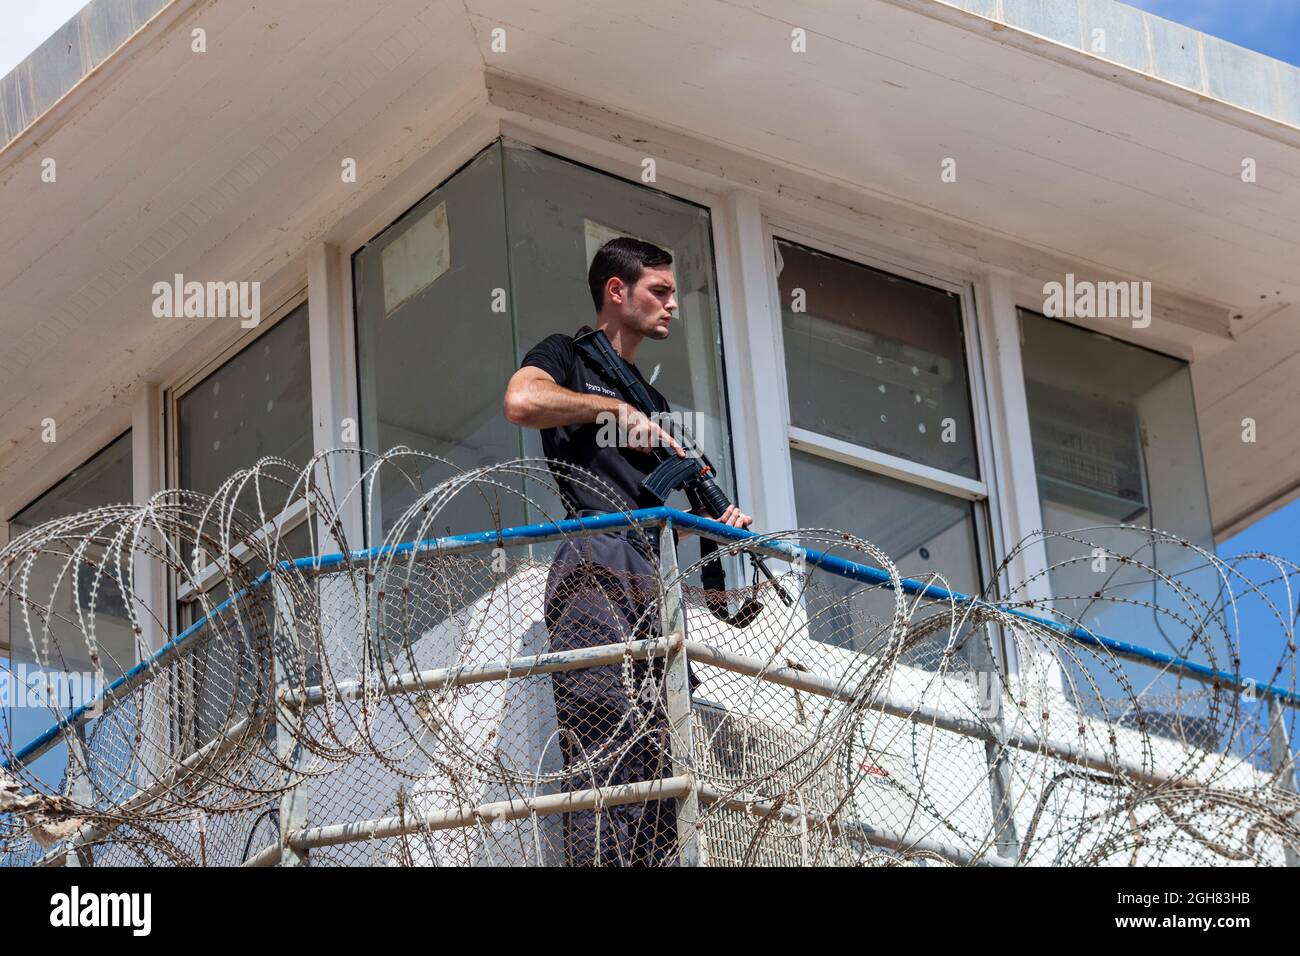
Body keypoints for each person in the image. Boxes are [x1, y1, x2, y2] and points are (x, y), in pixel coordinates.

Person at [503, 236, 751, 865]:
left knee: (664, 755)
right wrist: (611, 409)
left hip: (650, 576)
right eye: (659, 292)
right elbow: (521, 400)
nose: (672, 306)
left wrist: (714, 528)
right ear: (618, 291)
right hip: (593, 561)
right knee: (604, 741)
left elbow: (663, 516)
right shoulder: (569, 356)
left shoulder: (658, 403)